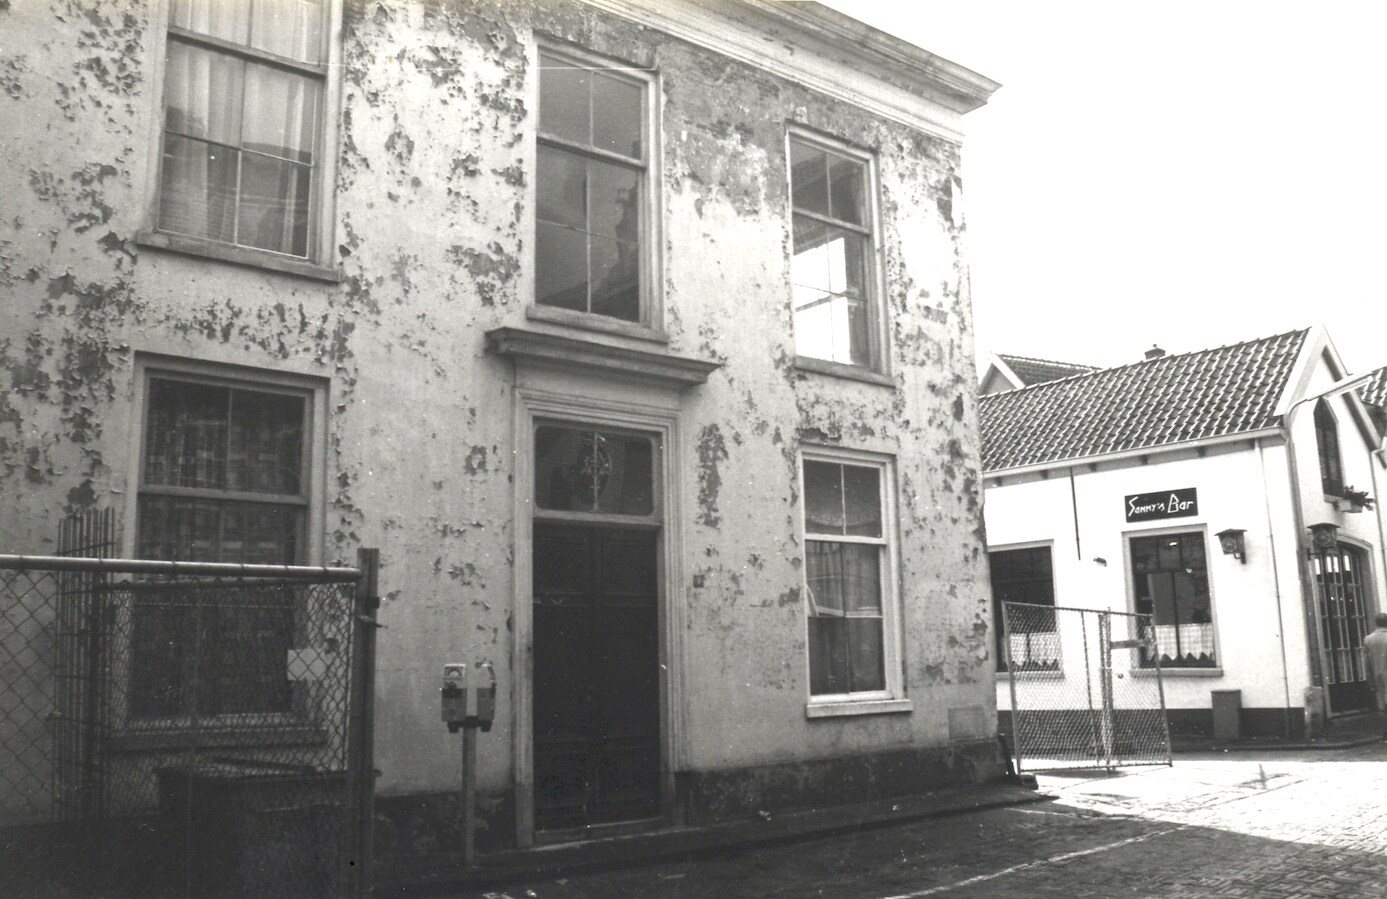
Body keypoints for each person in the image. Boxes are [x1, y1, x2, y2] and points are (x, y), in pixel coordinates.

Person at [1365, 612, 1387, 739]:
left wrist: (1369, 679)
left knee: (1382, 706)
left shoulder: (1368, 639)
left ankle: (1385, 733)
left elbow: (1367, 662)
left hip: (1378, 676)